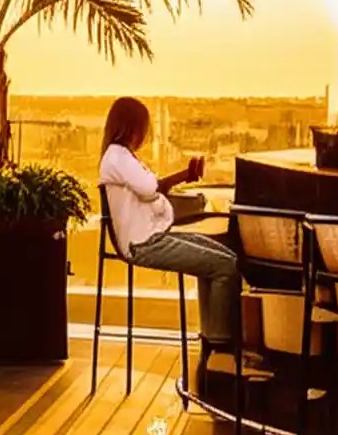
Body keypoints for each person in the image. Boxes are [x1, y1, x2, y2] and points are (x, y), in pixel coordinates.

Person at [98, 96, 239, 352]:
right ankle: (220, 346)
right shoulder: (118, 157)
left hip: (152, 237)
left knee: (225, 258)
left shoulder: (121, 157)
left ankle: (213, 335)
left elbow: (152, 186)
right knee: (225, 266)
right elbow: (150, 188)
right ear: (133, 127)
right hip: (144, 243)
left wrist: (186, 175)